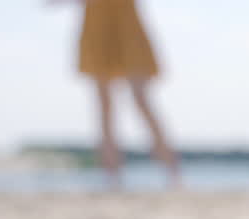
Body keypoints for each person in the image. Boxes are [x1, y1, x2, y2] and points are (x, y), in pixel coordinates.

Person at [53, 0, 180, 189]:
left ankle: (173, 173)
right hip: (97, 22)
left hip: (126, 21)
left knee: (141, 100)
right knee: (105, 105)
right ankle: (113, 177)